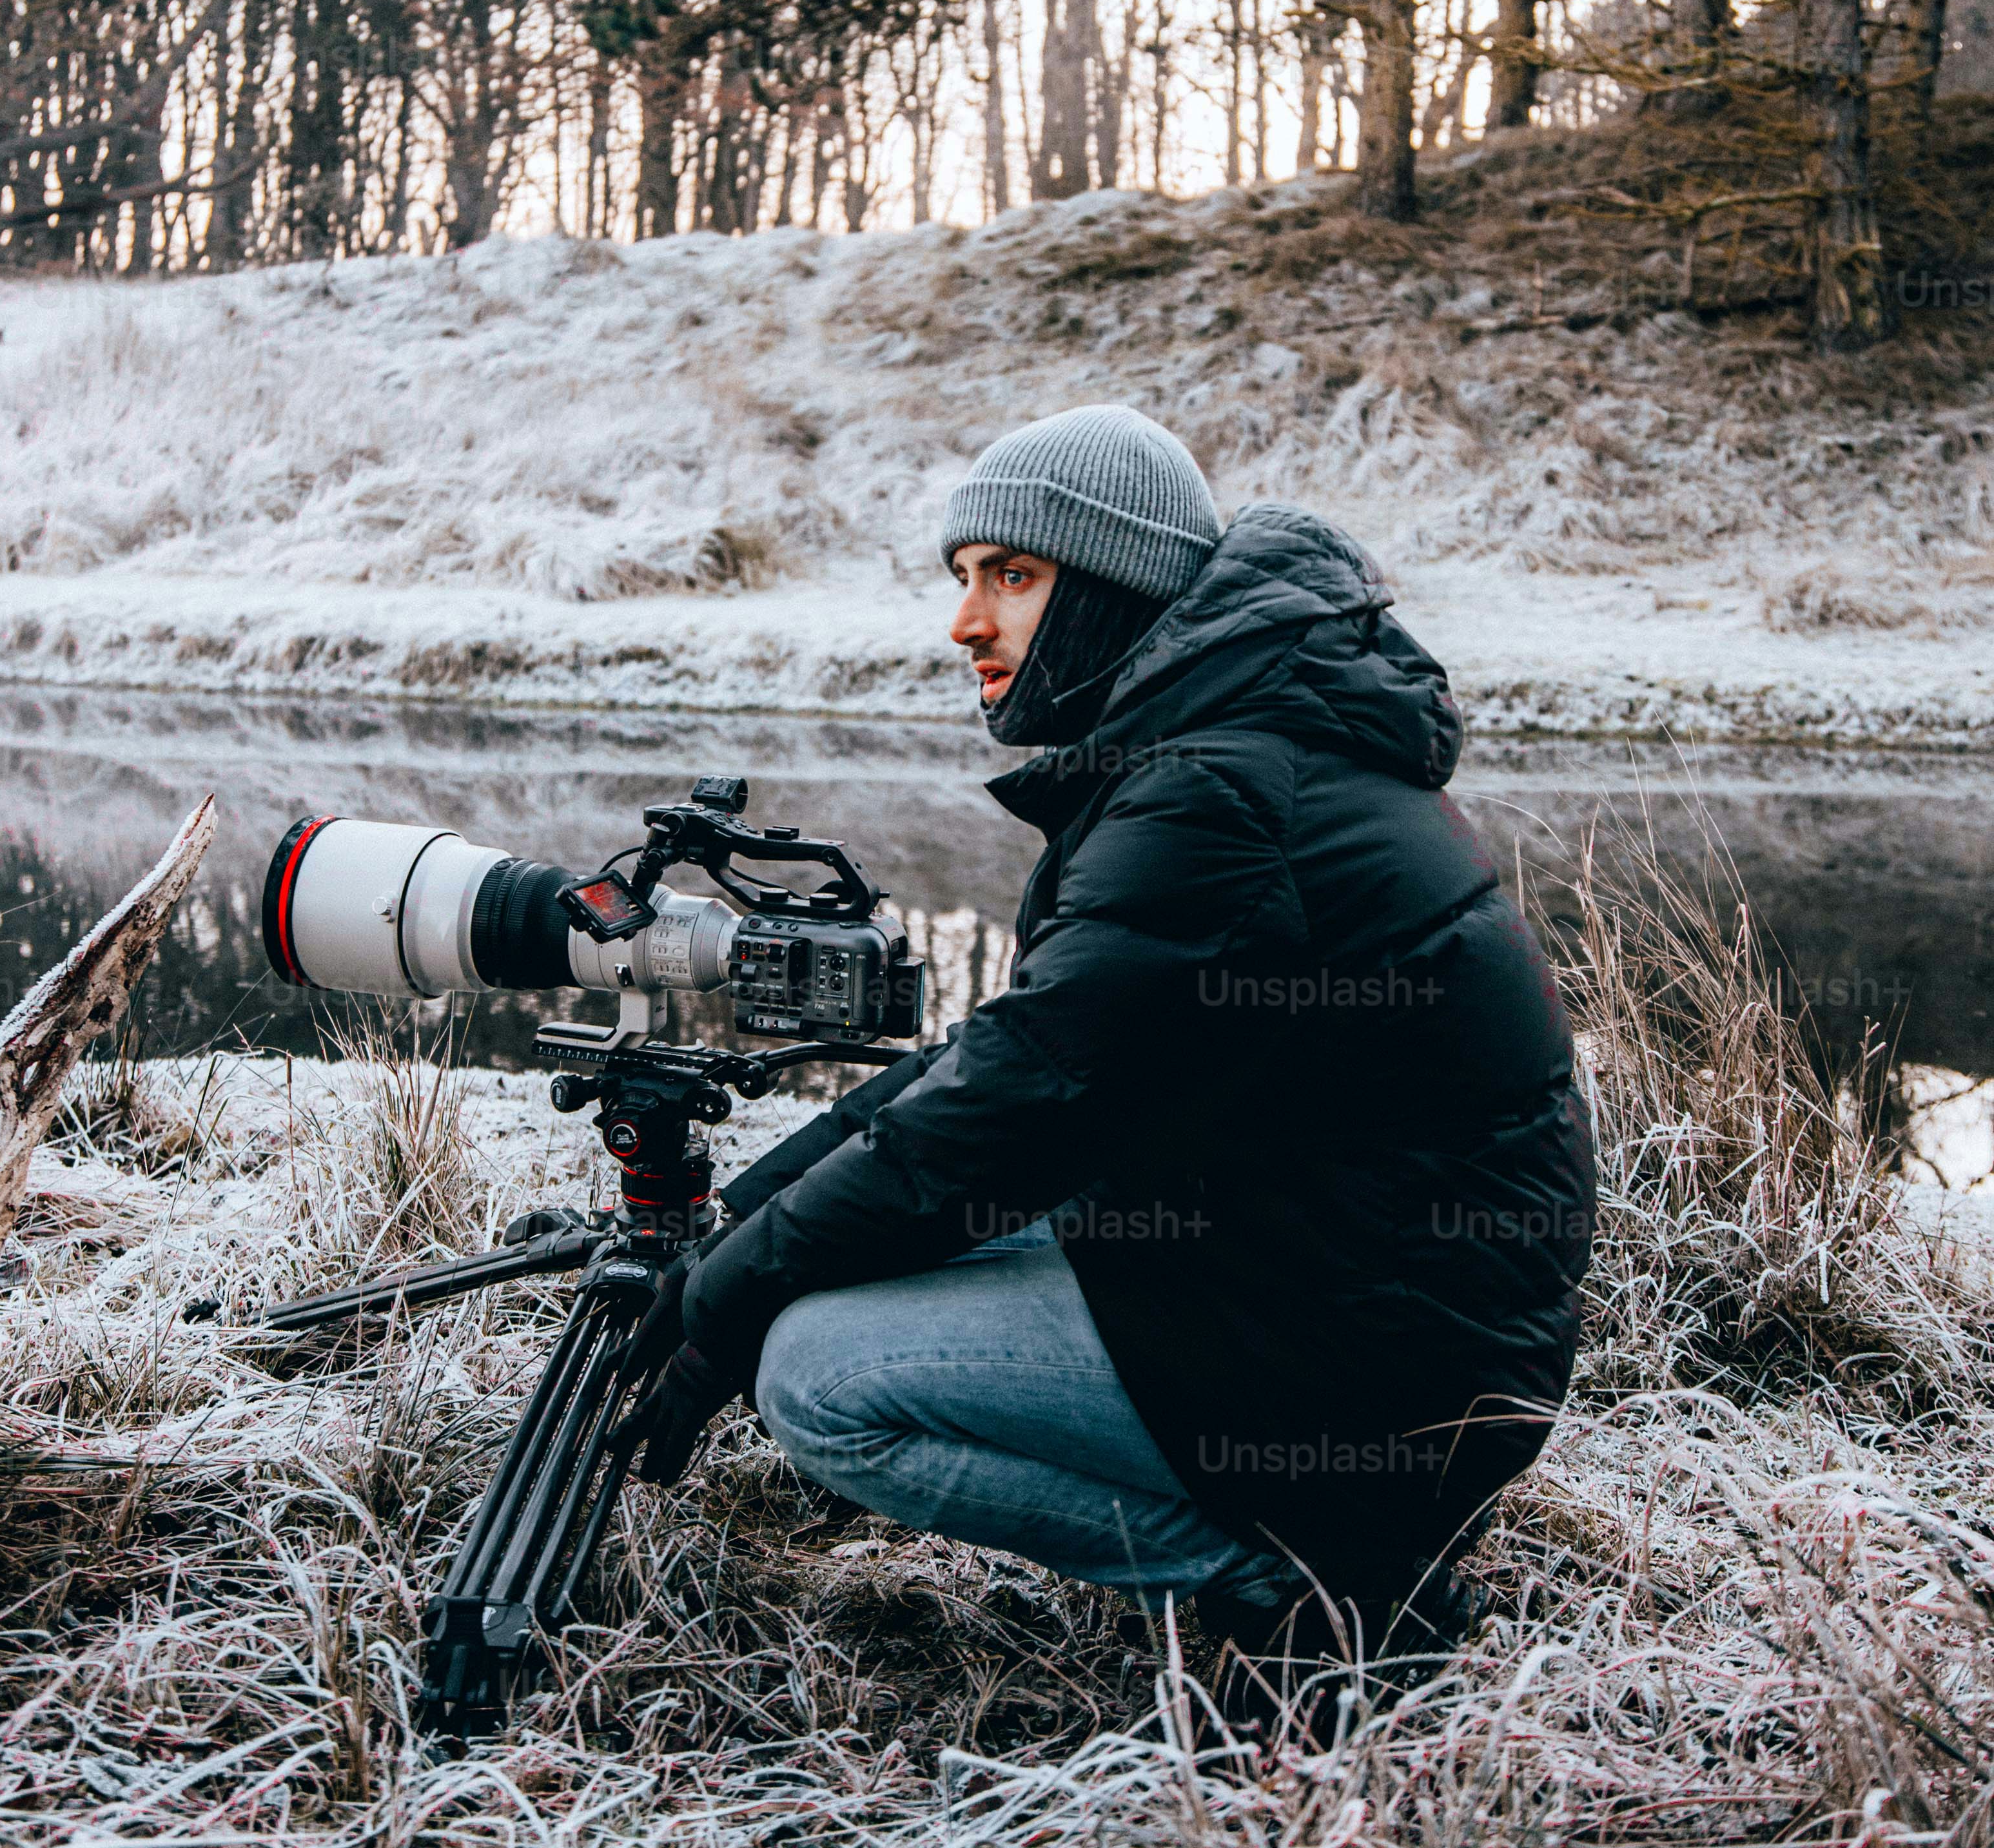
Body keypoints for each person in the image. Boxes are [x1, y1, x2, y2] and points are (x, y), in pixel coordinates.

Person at [613, 404, 1593, 1710]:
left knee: (823, 1377)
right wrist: (743, 1223)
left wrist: (727, 1310)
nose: (968, 624)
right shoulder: (1232, 742)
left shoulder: (1218, 789)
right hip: (1341, 1281)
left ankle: (1313, 1596)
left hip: (1384, 1369)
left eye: (1012, 579)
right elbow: (1008, 1066)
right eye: (964, 581)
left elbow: (1015, 1102)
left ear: (1116, 588)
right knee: (860, 1257)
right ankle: (1302, 1552)